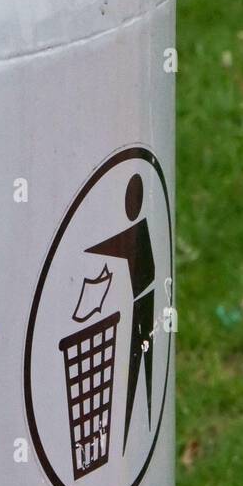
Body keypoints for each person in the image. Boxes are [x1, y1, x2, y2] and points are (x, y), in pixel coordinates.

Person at [86, 172, 154, 453]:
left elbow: (114, 246)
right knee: (139, 366)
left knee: (137, 367)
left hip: (142, 302)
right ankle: (131, 432)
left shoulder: (137, 231)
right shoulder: (138, 229)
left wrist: (93, 250)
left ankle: (130, 434)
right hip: (143, 301)